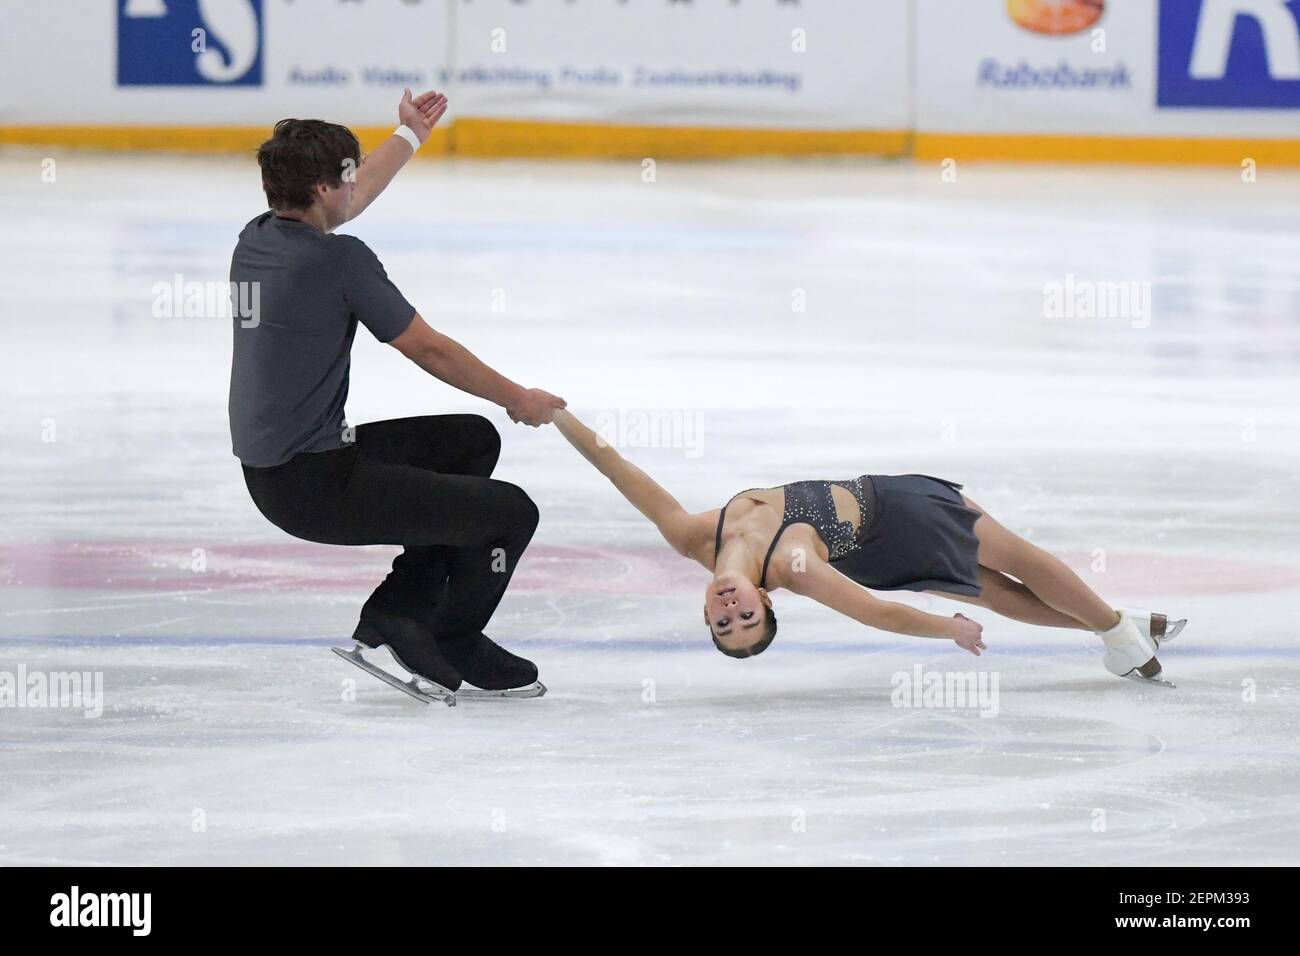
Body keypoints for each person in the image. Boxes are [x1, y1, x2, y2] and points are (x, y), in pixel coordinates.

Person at [228, 91, 565, 700]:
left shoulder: (258, 240)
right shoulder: (340, 261)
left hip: (284, 469)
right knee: (511, 515)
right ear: (326, 189)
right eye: (349, 178)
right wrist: (518, 397)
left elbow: (347, 202)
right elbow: (427, 349)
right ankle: (455, 639)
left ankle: (401, 611)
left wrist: (408, 135)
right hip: (311, 485)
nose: (356, 188)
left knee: (467, 442)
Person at [550, 409, 1183, 685]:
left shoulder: (691, 536)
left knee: (1003, 585)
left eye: (724, 623)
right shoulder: (790, 567)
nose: (732, 610)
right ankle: (1122, 635)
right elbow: (873, 614)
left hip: (884, 529)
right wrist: (947, 630)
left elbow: (616, 468)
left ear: (705, 613)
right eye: (746, 621)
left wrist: (557, 416)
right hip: (896, 519)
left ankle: (1121, 628)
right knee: (1008, 569)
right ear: (768, 605)